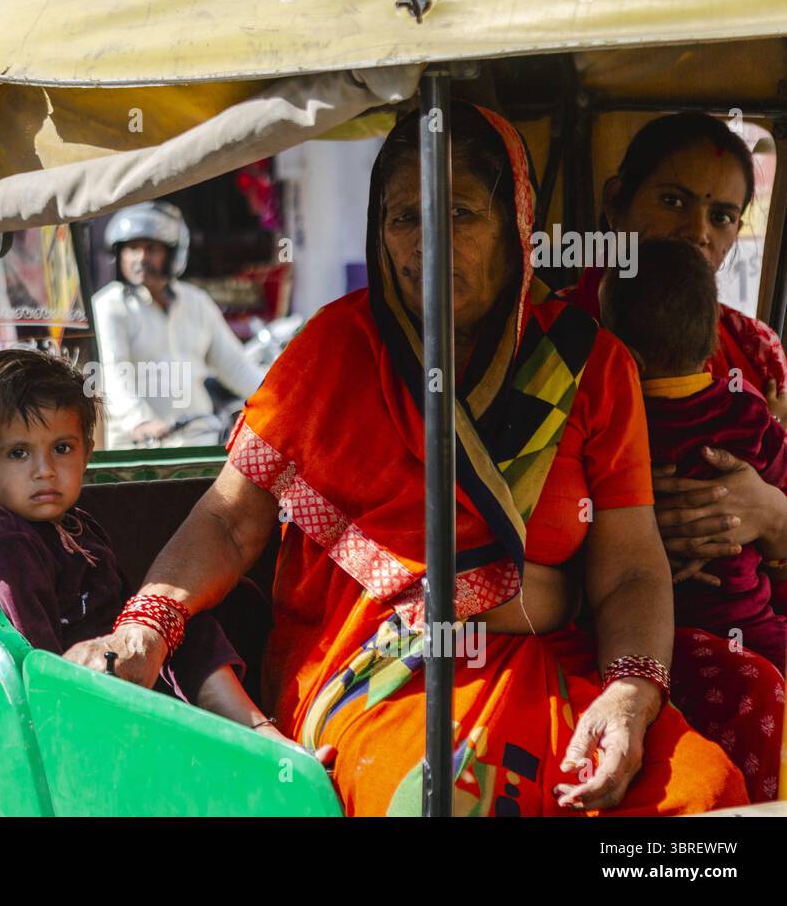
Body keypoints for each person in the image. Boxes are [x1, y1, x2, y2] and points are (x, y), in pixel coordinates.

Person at [66, 102, 747, 816]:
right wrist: (146, 624)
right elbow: (231, 522)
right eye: (403, 219)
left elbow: (632, 567)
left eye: (459, 214)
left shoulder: (587, 364)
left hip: (548, 670)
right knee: (454, 798)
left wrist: (631, 692)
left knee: (706, 798)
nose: (428, 245)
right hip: (383, 673)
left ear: (516, 225)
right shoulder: (334, 348)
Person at [561, 112, 786, 802]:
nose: (697, 231)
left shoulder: (758, 353)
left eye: (722, 216)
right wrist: (631, 534)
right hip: (596, 637)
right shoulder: (555, 341)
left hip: (751, 618)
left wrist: (767, 513)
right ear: (614, 201)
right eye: (673, 200)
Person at [0, 348, 306, 737]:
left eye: (62, 449)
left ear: (87, 454)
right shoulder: (7, 542)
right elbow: (37, 664)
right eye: (18, 453)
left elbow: (128, 606)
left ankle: (259, 728)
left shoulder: (79, 525)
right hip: (84, 698)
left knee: (183, 616)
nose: (45, 471)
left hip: (124, 666)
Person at [602, 238, 787, 670]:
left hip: (643, 629)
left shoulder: (614, 422)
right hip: (746, 618)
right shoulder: (748, 409)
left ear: (623, 356)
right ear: (711, 349)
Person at [92, 201, 265, 448]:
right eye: (131, 248)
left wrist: (276, 399)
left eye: (151, 248)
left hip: (199, 440)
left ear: (173, 253)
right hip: (136, 449)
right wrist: (140, 422)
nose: (140, 258)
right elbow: (113, 370)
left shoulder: (196, 302)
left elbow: (235, 365)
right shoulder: (110, 305)